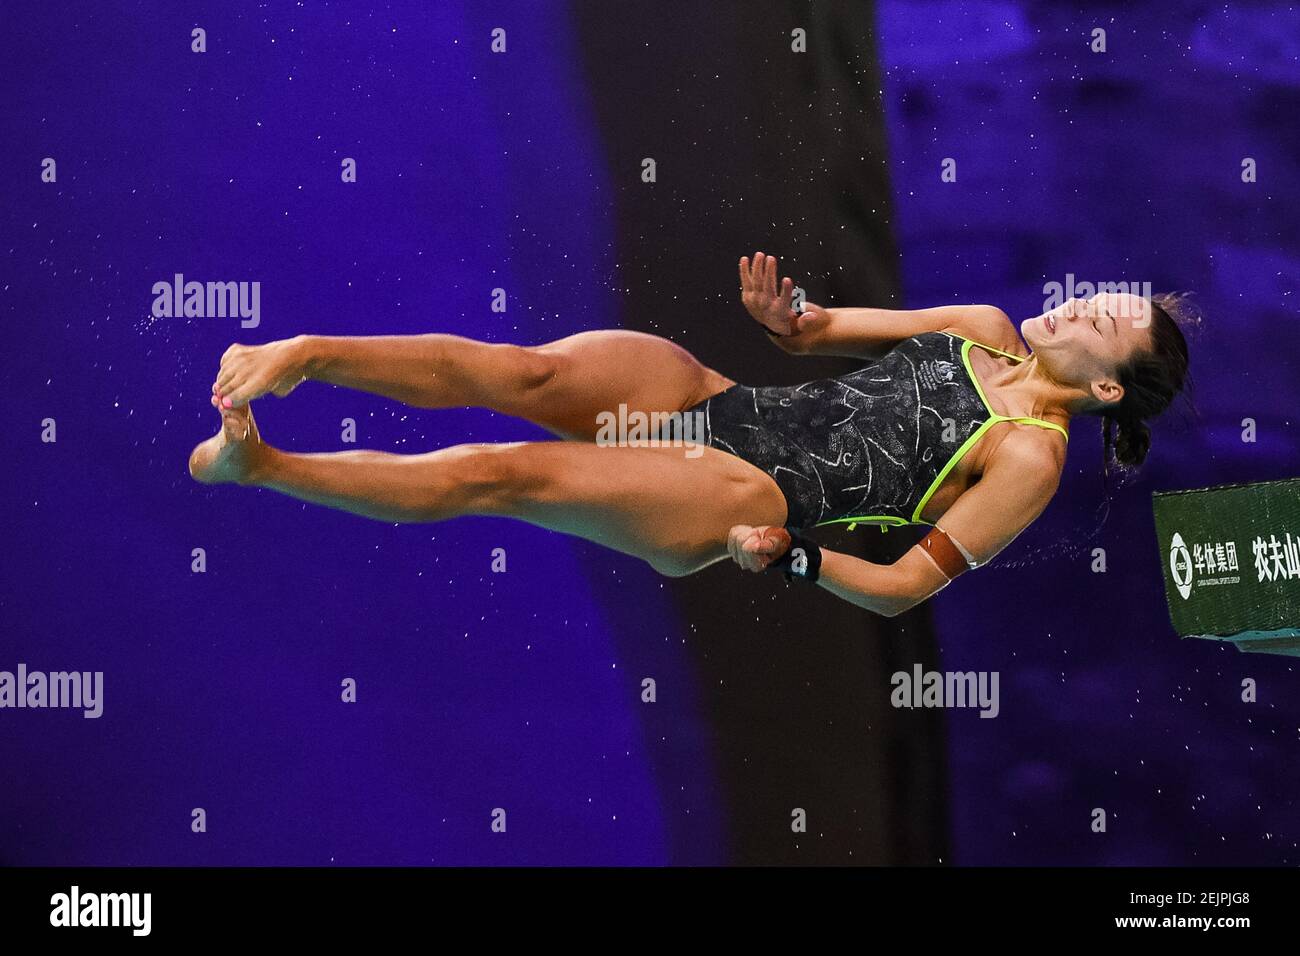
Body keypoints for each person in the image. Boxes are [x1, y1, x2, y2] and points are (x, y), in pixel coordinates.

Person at [188, 252, 1191, 616]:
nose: (1074, 304)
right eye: (1094, 293)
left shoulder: (1030, 458)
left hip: (738, 495)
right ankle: (308, 351)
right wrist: (781, 315)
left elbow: (902, 589)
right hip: (717, 398)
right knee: (519, 369)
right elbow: (812, 334)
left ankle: (262, 462)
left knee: (498, 473)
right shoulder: (978, 328)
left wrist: (796, 560)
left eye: (1097, 318)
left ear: (1105, 386)